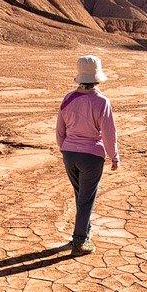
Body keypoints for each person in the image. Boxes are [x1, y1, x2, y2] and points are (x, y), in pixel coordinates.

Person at [56, 54, 120, 255]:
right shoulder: (102, 102)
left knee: (81, 196)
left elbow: (60, 130)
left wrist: (65, 149)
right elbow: (109, 133)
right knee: (86, 199)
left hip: (69, 154)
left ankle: (84, 232)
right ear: (97, 78)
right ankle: (79, 241)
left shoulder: (68, 99)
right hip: (91, 156)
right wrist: (114, 156)